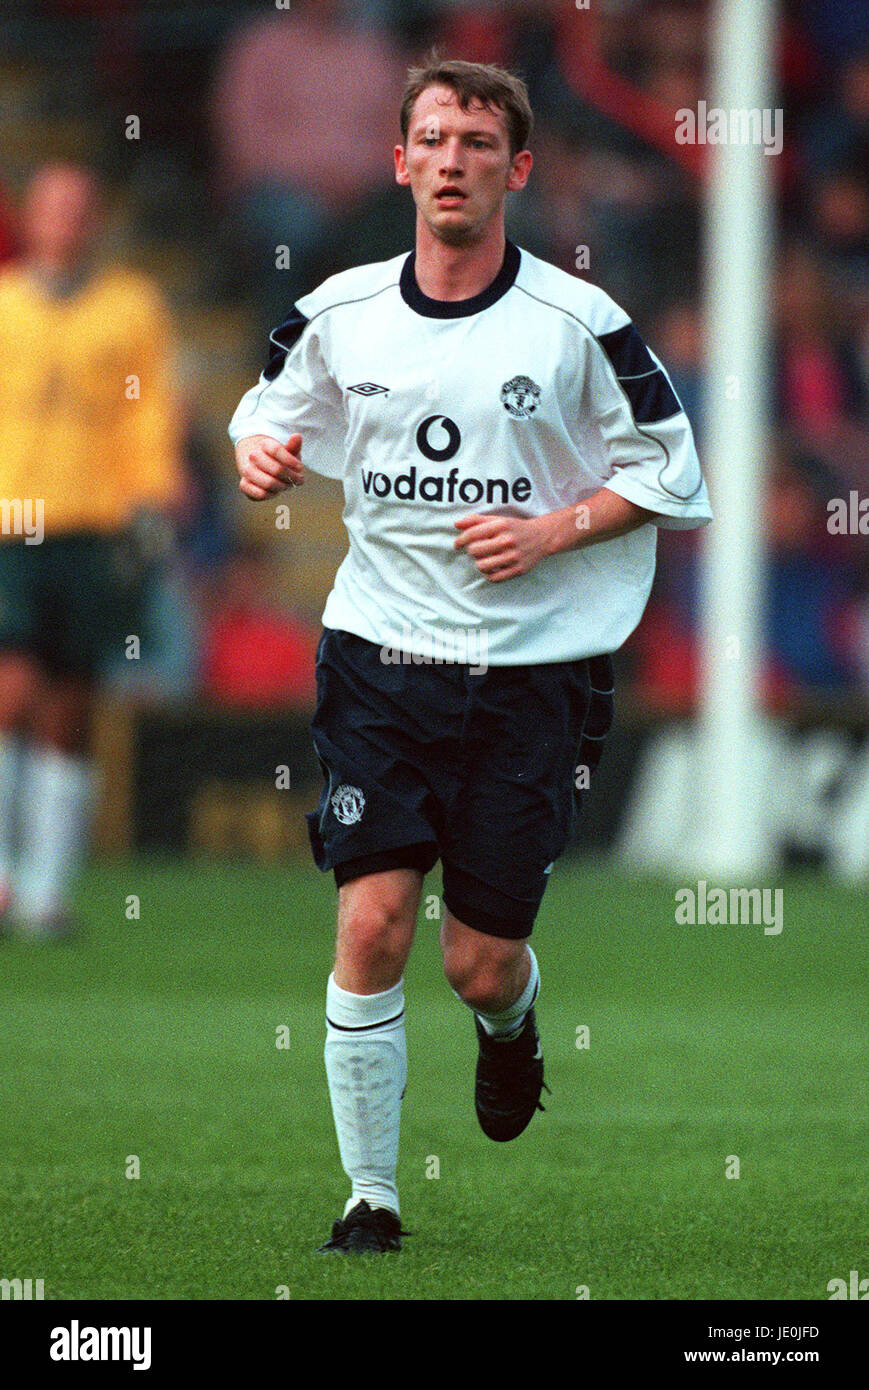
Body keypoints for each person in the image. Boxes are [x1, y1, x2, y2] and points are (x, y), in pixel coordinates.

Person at [229, 57, 712, 1253]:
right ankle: (370, 1198)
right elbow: (265, 404)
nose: (452, 160)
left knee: (478, 964)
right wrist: (260, 454)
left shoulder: (578, 324)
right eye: (433, 139)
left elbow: (671, 468)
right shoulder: (341, 310)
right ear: (399, 162)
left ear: (517, 170)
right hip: (378, 660)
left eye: (478, 144)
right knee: (373, 923)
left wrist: (552, 527)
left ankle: (511, 1031)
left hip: (531, 675)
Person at [0, 163, 183, 938]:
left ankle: (45, 891)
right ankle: (4, 877)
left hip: (95, 520)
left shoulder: (132, 305)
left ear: (94, 219)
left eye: (78, 209)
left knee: (71, 703)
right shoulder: (5, 303)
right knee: (10, 687)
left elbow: (152, 405)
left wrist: (153, 493)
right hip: (11, 517)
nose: (65, 223)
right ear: (30, 218)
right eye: (52, 209)